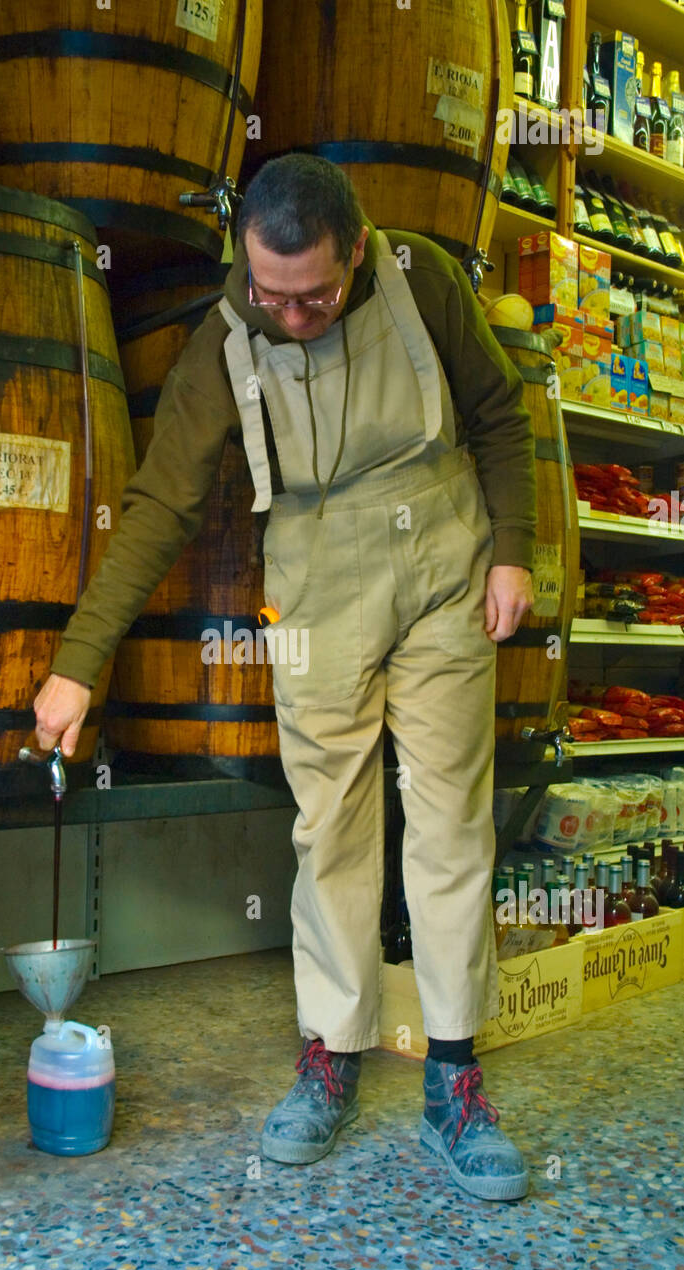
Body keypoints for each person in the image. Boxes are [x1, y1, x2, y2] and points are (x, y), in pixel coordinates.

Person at [33, 154, 536, 1202]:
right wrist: (80, 663)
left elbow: (497, 413)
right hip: (314, 582)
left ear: (357, 251)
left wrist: (511, 551)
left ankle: (453, 1078)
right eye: (272, 294)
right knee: (329, 825)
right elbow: (159, 508)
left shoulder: (423, 279)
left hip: (442, 562)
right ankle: (331, 1055)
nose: (293, 316)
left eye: (315, 295)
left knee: (448, 817)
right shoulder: (224, 338)